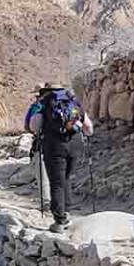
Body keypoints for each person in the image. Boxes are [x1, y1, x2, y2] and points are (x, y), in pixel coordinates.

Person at [26, 83, 94, 232]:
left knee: (56, 183)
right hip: (75, 146)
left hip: (54, 147)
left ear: (46, 91)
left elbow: (33, 126)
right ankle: (67, 212)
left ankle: (59, 221)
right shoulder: (74, 102)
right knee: (66, 179)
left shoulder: (44, 104)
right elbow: (88, 128)